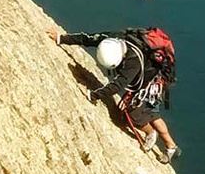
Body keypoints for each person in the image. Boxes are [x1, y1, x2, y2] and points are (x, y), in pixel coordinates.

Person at [51, 27, 180, 163]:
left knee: (131, 115)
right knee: (149, 111)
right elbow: (89, 38)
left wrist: (93, 95)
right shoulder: (111, 39)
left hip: (152, 82)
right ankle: (171, 147)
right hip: (151, 75)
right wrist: (61, 38)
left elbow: (118, 85)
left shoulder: (133, 62)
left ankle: (151, 133)